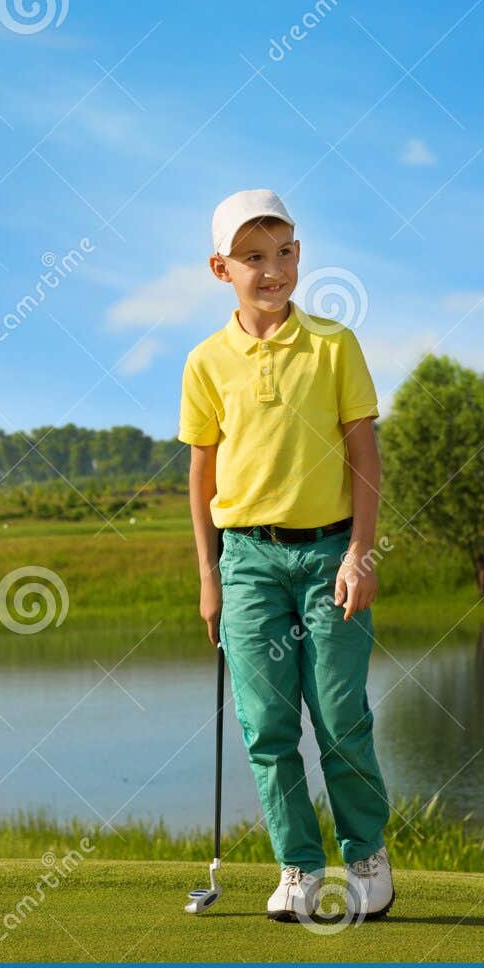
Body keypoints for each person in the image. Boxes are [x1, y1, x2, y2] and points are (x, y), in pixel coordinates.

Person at [179, 188, 394, 922]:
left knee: (339, 715)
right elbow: (202, 474)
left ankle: (366, 854)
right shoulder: (206, 362)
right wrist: (209, 576)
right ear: (221, 268)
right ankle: (299, 865)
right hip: (246, 561)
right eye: (252, 258)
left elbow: (365, 456)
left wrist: (361, 550)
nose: (271, 270)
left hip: (331, 550)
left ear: (298, 255)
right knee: (267, 726)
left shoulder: (335, 345)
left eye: (283, 254)